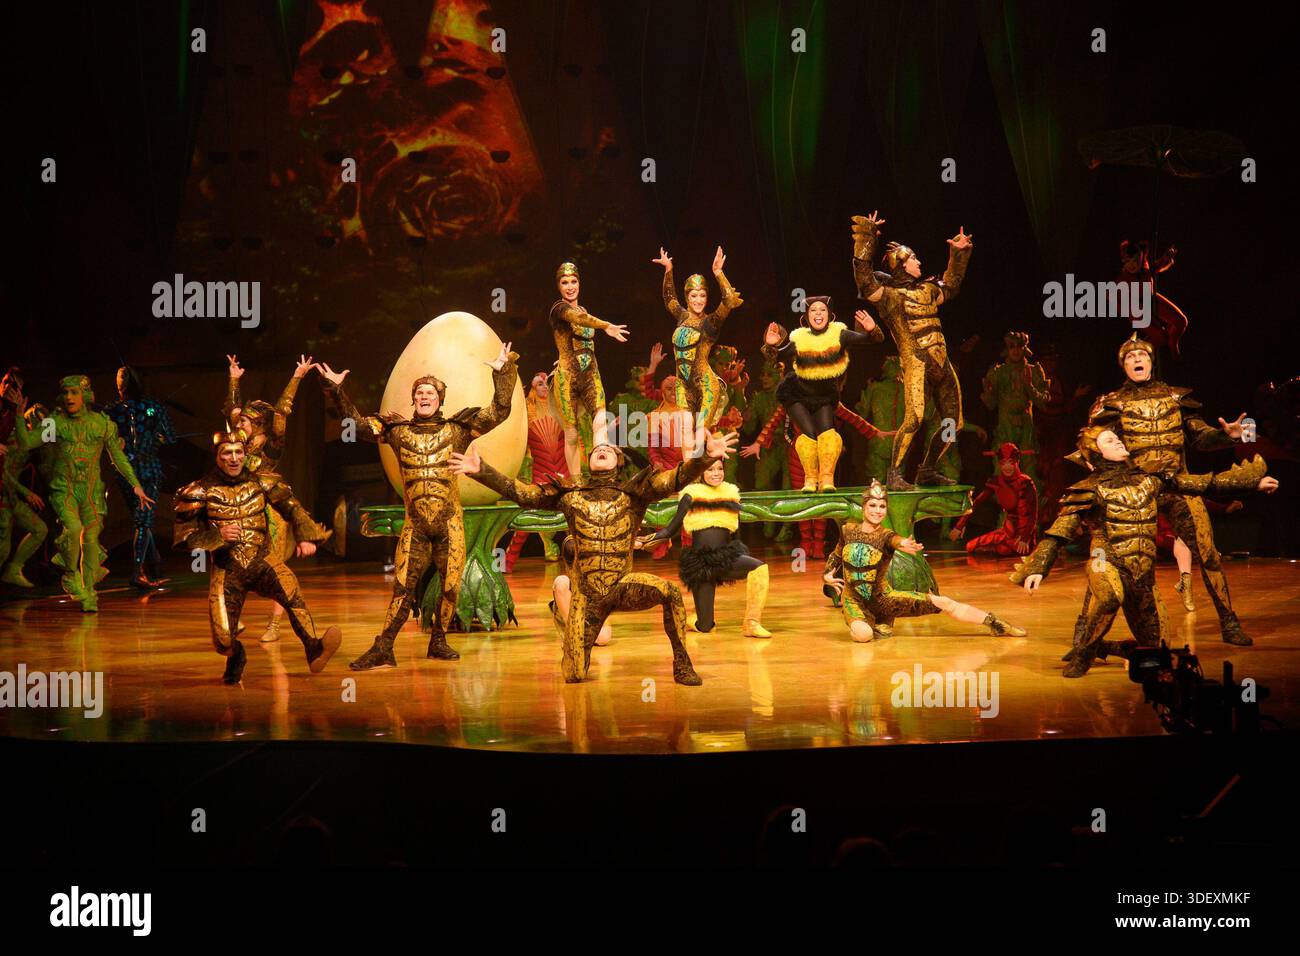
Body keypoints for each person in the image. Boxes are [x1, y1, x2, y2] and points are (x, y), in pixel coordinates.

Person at [452, 430, 740, 685]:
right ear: (589, 461)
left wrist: (703, 459)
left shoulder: (635, 492)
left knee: (670, 592)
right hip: (586, 596)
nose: (602, 450)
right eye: (596, 450)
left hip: (622, 586)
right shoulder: (570, 494)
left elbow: (672, 480)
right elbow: (525, 495)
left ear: (619, 461)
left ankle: (682, 664)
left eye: (609, 449)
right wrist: (483, 472)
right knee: (574, 675)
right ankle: (563, 614)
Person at [1011, 425, 1276, 677]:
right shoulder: (1088, 489)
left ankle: (1109, 647)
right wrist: (1038, 568)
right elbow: (1061, 529)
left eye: (1116, 437)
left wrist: (1252, 483)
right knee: (1109, 597)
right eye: (1107, 440)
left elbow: (1202, 484)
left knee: (1158, 655)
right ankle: (1085, 652)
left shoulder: (1150, 479)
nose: (1116, 440)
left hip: (1142, 574)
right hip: (1105, 559)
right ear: (1094, 454)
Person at [317, 342, 518, 669]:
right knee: (402, 587)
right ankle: (384, 647)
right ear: (413, 399)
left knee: (450, 586)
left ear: (440, 399)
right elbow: (355, 423)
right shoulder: (397, 431)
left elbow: (499, 412)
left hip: (449, 523)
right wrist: (337, 390)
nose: (424, 397)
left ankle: (438, 640)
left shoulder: (458, 430)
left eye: (430, 393)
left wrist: (503, 373)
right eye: (420, 392)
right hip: (417, 526)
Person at [1089, 333, 1254, 645]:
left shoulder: (1175, 399)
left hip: (1180, 485)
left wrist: (1227, 436)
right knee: (1132, 563)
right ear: (1122, 366)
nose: (1136, 360)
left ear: (1152, 361)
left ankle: (1229, 621)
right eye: (1129, 357)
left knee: (1207, 553)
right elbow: (1096, 446)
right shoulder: (1112, 404)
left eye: (1142, 356)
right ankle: (1109, 638)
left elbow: (1200, 437)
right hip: (1138, 492)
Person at [174, 427, 341, 684]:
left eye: (238, 452)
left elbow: (292, 507)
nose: (233, 458)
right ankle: (236, 656)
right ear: (217, 456)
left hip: (263, 560)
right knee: (223, 641)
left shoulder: (263, 482)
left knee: (292, 591)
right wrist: (217, 537)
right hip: (227, 569)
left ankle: (314, 648)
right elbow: (183, 537)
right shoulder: (199, 490)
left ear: (245, 454)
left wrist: (306, 535)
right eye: (226, 453)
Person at [850, 211, 972, 490]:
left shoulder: (928, 290)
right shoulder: (889, 298)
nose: (919, 262)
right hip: (917, 363)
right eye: (914, 258)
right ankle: (894, 474)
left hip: (942, 363)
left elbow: (951, 285)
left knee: (954, 424)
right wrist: (868, 237)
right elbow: (865, 280)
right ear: (902, 265)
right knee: (915, 419)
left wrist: (958, 255)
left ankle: (927, 470)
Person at [823, 479, 1025, 643]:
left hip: (884, 599)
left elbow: (896, 540)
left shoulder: (886, 535)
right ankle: (870, 625)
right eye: (873, 505)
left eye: (882, 506)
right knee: (864, 635)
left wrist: (905, 544)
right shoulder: (847, 530)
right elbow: (837, 553)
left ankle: (995, 623)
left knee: (942, 601)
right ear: (864, 507)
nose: (877, 510)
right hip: (854, 601)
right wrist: (828, 574)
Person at [223, 354, 320, 642]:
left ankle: (275, 625)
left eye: (246, 421)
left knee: (275, 566)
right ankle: (232, 617)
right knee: (236, 562)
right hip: (243, 508)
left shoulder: (271, 444)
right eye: (240, 421)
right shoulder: (237, 444)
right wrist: (234, 379)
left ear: (259, 425)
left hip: (271, 508)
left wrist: (298, 376)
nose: (239, 424)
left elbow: (281, 411)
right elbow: (231, 408)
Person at [49, 375, 154, 611]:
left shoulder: (102, 421)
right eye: (66, 393)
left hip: (92, 491)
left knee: (91, 539)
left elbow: (117, 456)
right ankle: (71, 574)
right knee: (75, 530)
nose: (69, 397)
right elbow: (36, 444)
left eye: (74, 392)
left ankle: (89, 593)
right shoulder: (58, 422)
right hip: (67, 488)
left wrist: (136, 484)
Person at [639, 457, 771, 637]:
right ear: (700, 473)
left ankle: (752, 622)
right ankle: (695, 620)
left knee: (760, 568)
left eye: (719, 469)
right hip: (701, 564)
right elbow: (671, 529)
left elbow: (736, 531)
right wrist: (644, 540)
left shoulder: (731, 492)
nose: (716, 473)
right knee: (706, 627)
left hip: (725, 558)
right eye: (710, 470)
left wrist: (740, 553)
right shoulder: (691, 493)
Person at [761, 297, 882, 490]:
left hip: (824, 395)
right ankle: (810, 479)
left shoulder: (839, 334)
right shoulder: (800, 338)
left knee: (827, 434)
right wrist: (771, 345)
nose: (818, 314)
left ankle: (826, 478)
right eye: (813, 311)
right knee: (809, 434)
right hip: (797, 394)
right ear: (806, 317)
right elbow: (774, 356)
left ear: (830, 314)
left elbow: (874, 340)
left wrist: (871, 329)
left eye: (822, 310)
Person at [548, 261, 629, 476]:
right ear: (559, 287)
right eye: (564, 282)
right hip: (568, 378)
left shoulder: (584, 309)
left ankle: (602, 472)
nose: (570, 286)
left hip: (591, 374)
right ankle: (575, 482)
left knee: (600, 419)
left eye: (573, 281)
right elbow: (579, 319)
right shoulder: (559, 309)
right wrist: (605, 326)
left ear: (579, 284)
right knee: (572, 434)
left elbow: (588, 342)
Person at [653, 245, 742, 432]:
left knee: (701, 436)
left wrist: (718, 273)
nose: (698, 300)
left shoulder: (711, 323)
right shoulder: (682, 317)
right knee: (686, 434)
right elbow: (668, 297)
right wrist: (668, 270)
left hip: (706, 386)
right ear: (687, 297)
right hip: (684, 385)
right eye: (694, 295)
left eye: (703, 295)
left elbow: (728, 301)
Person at [104, 366, 177, 589]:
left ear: (120, 385)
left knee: (141, 520)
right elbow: (170, 437)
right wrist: (155, 440)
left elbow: (108, 441)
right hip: (147, 468)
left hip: (125, 470)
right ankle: (139, 571)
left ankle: (154, 564)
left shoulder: (111, 410)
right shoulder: (154, 406)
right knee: (143, 520)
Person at [503, 371, 567, 570]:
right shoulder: (527, 415)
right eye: (540, 384)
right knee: (528, 518)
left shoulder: (560, 411)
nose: (544, 386)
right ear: (532, 389)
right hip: (541, 472)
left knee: (573, 518)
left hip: (563, 470)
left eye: (546, 384)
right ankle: (508, 560)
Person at [980, 332, 1050, 484]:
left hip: (1026, 429)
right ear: (1007, 349)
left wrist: (1029, 386)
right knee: (1002, 468)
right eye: (1012, 347)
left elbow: (1043, 402)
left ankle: (1031, 504)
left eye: (1019, 346)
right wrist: (989, 392)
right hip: (1005, 428)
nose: (1016, 350)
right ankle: (1004, 506)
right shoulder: (998, 372)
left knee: (1029, 468)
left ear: (1025, 348)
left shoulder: (1034, 370)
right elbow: (991, 405)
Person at [950, 442, 1037, 556]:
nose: (1007, 467)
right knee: (970, 546)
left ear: (1017, 462)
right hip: (1007, 531)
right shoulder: (996, 482)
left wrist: (1025, 539)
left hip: (1023, 535)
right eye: (1003, 463)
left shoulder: (1025, 483)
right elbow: (977, 503)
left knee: (1005, 550)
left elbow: (1032, 514)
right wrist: (959, 525)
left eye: (1011, 463)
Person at [0, 403, 49, 588]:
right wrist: (26, 493)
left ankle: (13, 569)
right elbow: (4, 473)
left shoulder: (30, 443)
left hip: (12, 497)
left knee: (40, 529)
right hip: (4, 496)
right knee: (3, 547)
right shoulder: (14, 439)